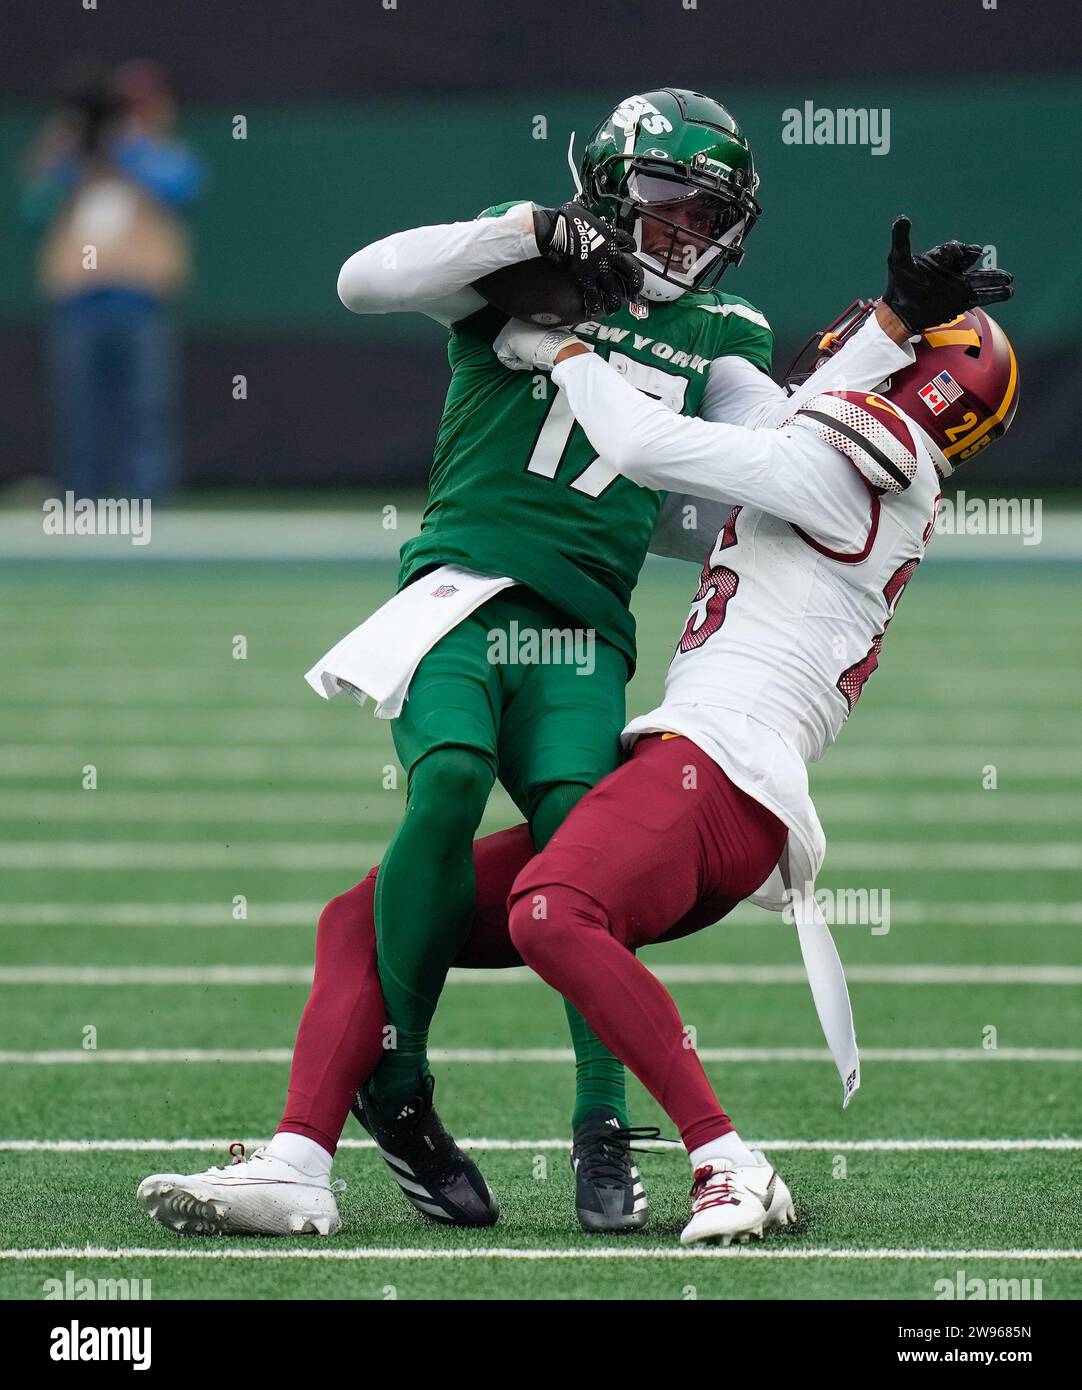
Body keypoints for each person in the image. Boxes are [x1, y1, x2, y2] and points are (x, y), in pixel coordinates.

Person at [136, 223, 1014, 1242]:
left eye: (877, 348)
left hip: (718, 778)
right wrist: (896, 325)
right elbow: (790, 419)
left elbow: (644, 442)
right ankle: (297, 1163)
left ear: (915, 392)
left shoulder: (844, 468)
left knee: (550, 911)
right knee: (360, 918)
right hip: (692, 772)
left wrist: (561, 353)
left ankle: (724, 1158)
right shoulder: (848, 462)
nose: (840, 347)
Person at [299, 88, 778, 1233]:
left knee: (580, 844)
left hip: (583, 629)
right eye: (669, 204)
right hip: (463, 590)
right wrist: (523, 234)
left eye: (708, 214)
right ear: (610, 185)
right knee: (451, 781)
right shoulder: (515, 267)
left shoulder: (724, 331)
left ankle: (601, 1124)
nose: (687, 234)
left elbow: (761, 452)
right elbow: (362, 279)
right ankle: (397, 1079)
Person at [22, 59, 202, 498]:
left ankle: (149, 504)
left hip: (140, 303)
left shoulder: (166, 157)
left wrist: (123, 146)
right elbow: (34, 211)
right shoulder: (70, 158)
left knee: (146, 409)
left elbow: (181, 189)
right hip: (78, 304)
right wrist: (73, 151)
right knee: (80, 413)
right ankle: (82, 504)